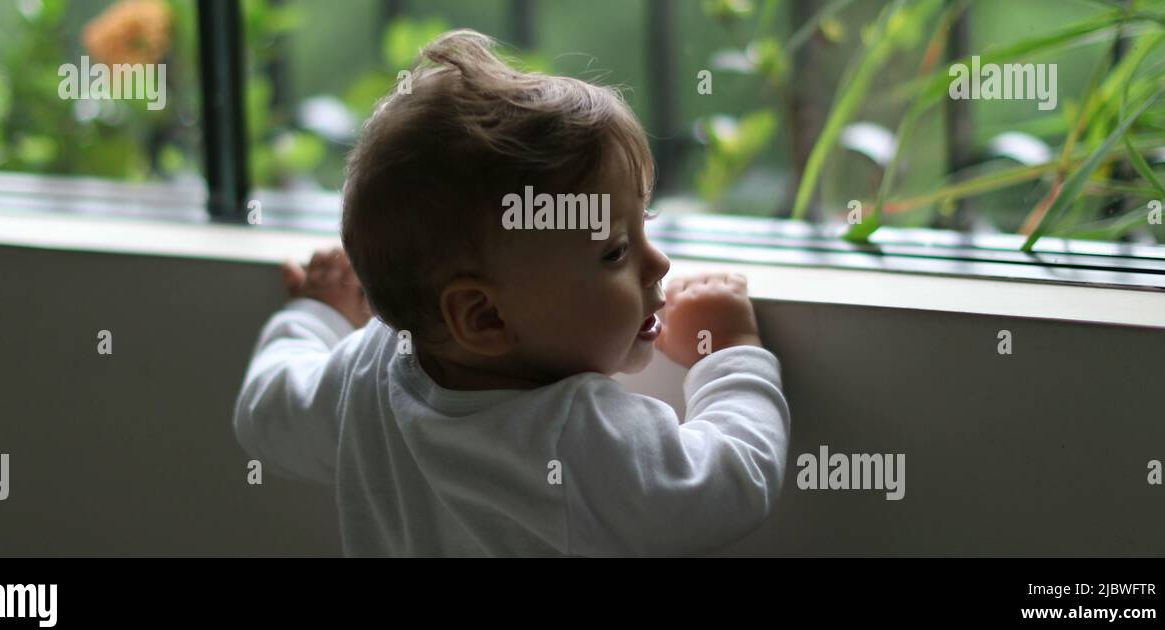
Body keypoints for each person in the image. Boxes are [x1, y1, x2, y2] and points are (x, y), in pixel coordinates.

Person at [235, 30, 790, 556]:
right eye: (616, 252)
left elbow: (266, 412)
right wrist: (731, 354)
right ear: (482, 317)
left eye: (644, 225)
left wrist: (316, 314)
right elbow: (731, 482)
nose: (659, 263)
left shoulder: (370, 366)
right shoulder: (571, 433)